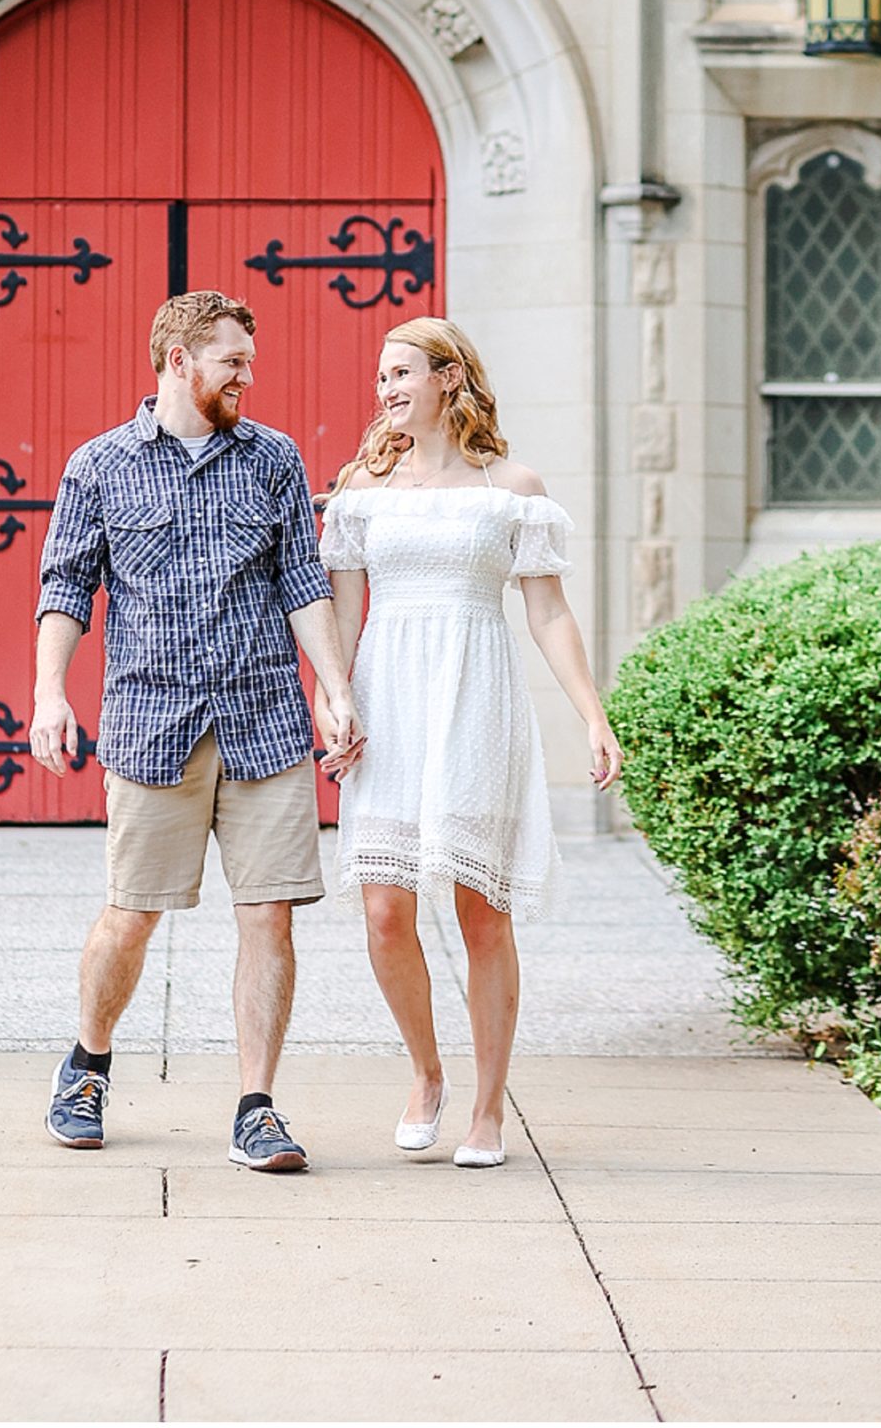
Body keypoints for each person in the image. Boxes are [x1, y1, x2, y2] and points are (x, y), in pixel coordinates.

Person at [30, 290, 357, 1173]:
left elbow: (303, 583)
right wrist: (49, 692)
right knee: (130, 917)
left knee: (270, 918)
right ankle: (88, 1064)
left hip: (264, 724)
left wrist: (335, 689)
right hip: (151, 723)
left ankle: (257, 1106)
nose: (248, 376)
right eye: (233, 362)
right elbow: (66, 588)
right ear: (179, 361)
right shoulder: (99, 466)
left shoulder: (275, 460)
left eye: (249, 361)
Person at [316, 316, 622, 1167]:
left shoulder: (512, 488)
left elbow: (548, 610)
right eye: (381, 377)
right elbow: (341, 611)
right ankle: (426, 1074)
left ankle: (488, 1111)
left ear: (451, 378)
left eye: (403, 372)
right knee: (383, 909)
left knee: (481, 914)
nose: (386, 390)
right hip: (388, 696)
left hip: (478, 695)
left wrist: (592, 714)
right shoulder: (360, 487)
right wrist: (333, 697)